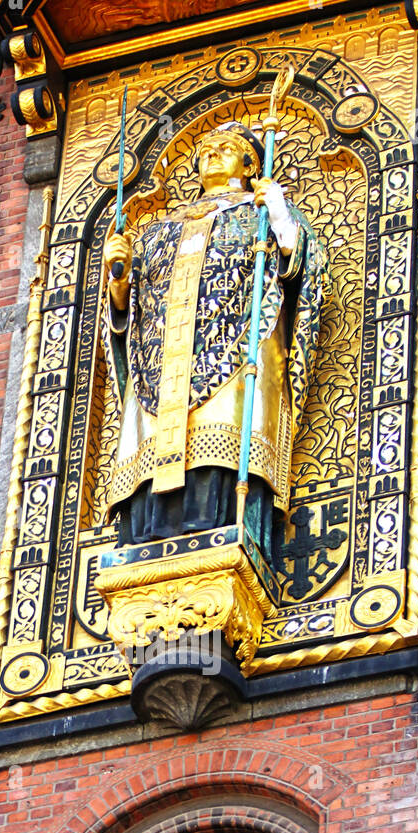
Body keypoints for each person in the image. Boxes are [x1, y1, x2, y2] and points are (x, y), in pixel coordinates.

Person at [103, 120, 328, 563]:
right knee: (158, 433)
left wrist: (280, 217)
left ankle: (226, 522)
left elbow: (303, 271)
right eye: (205, 149)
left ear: (249, 165)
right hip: (161, 359)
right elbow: (128, 311)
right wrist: (118, 277)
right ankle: (148, 533)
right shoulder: (156, 229)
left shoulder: (260, 211)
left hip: (236, 340)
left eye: (226, 148)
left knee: (224, 425)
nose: (211, 153)